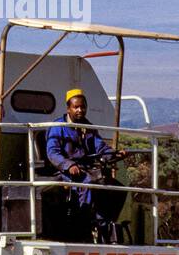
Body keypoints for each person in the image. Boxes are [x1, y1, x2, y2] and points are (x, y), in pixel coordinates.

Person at [45, 89, 127, 242]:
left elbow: (101, 148)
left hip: (86, 170)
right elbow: (52, 153)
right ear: (68, 108)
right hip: (64, 172)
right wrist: (69, 165)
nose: (80, 110)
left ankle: (103, 225)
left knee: (116, 189)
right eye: (76, 107)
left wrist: (115, 154)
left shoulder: (88, 127)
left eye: (82, 107)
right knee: (88, 183)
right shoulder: (58, 126)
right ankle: (81, 224)